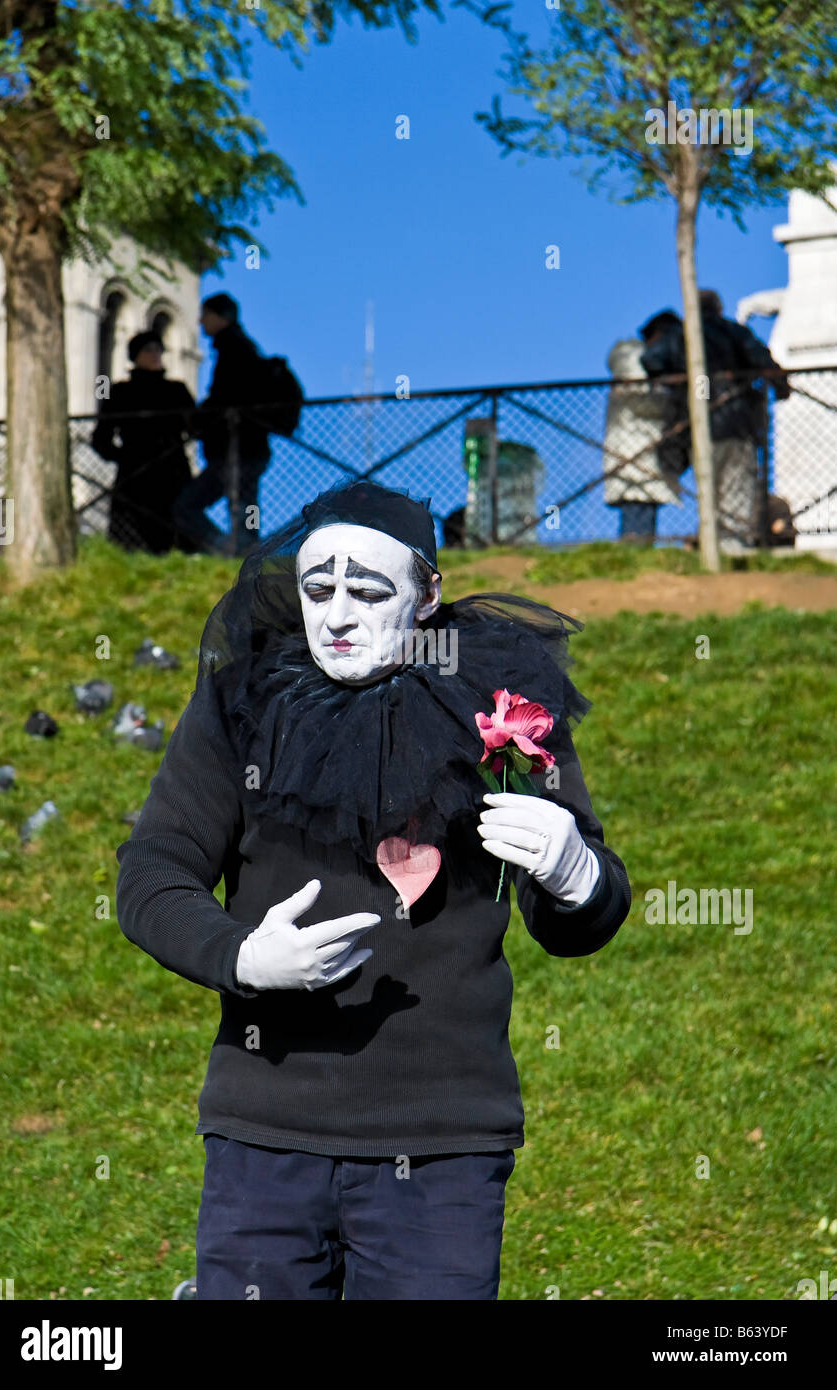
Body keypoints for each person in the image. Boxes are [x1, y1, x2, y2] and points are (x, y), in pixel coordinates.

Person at [115, 479, 631, 1301]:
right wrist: (241, 957)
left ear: (427, 595)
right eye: (318, 589)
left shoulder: (503, 704)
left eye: (368, 589)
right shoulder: (245, 700)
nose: (339, 614)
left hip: (444, 1145)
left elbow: (578, 921)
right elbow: (150, 874)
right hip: (266, 1136)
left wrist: (575, 874)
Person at [641, 292, 791, 550]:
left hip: (696, 425)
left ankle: (714, 549)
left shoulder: (682, 336)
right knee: (736, 492)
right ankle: (733, 550)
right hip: (736, 422)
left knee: (708, 491)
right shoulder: (733, 332)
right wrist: (780, 385)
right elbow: (762, 360)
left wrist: (680, 376)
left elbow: (651, 359)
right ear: (719, 308)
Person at [173, 293, 272, 557]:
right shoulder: (241, 347)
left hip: (236, 447)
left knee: (191, 506)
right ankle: (242, 557)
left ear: (219, 317)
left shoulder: (232, 348)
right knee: (244, 507)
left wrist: (200, 419)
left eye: (205, 315)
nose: (200, 321)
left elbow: (225, 395)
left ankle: (229, 554)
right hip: (248, 447)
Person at [91, 331, 196, 554]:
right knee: (134, 536)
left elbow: (196, 426)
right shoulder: (119, 392)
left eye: (159, 349)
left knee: (177, 524)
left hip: (172, 471)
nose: (155, 354)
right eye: (148, 350)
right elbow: (101, 438)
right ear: (135, 355)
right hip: (135, 474)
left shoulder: (176, 390)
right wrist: (125, 457)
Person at [602, 337, 684, 542]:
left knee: (642, 510)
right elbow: (646, 404)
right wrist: (677, 400)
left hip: (640, 459)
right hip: (636, 459)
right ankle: (635, 551)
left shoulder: (622, 387)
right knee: (638, 511)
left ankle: (637, 550)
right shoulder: (631, 388)